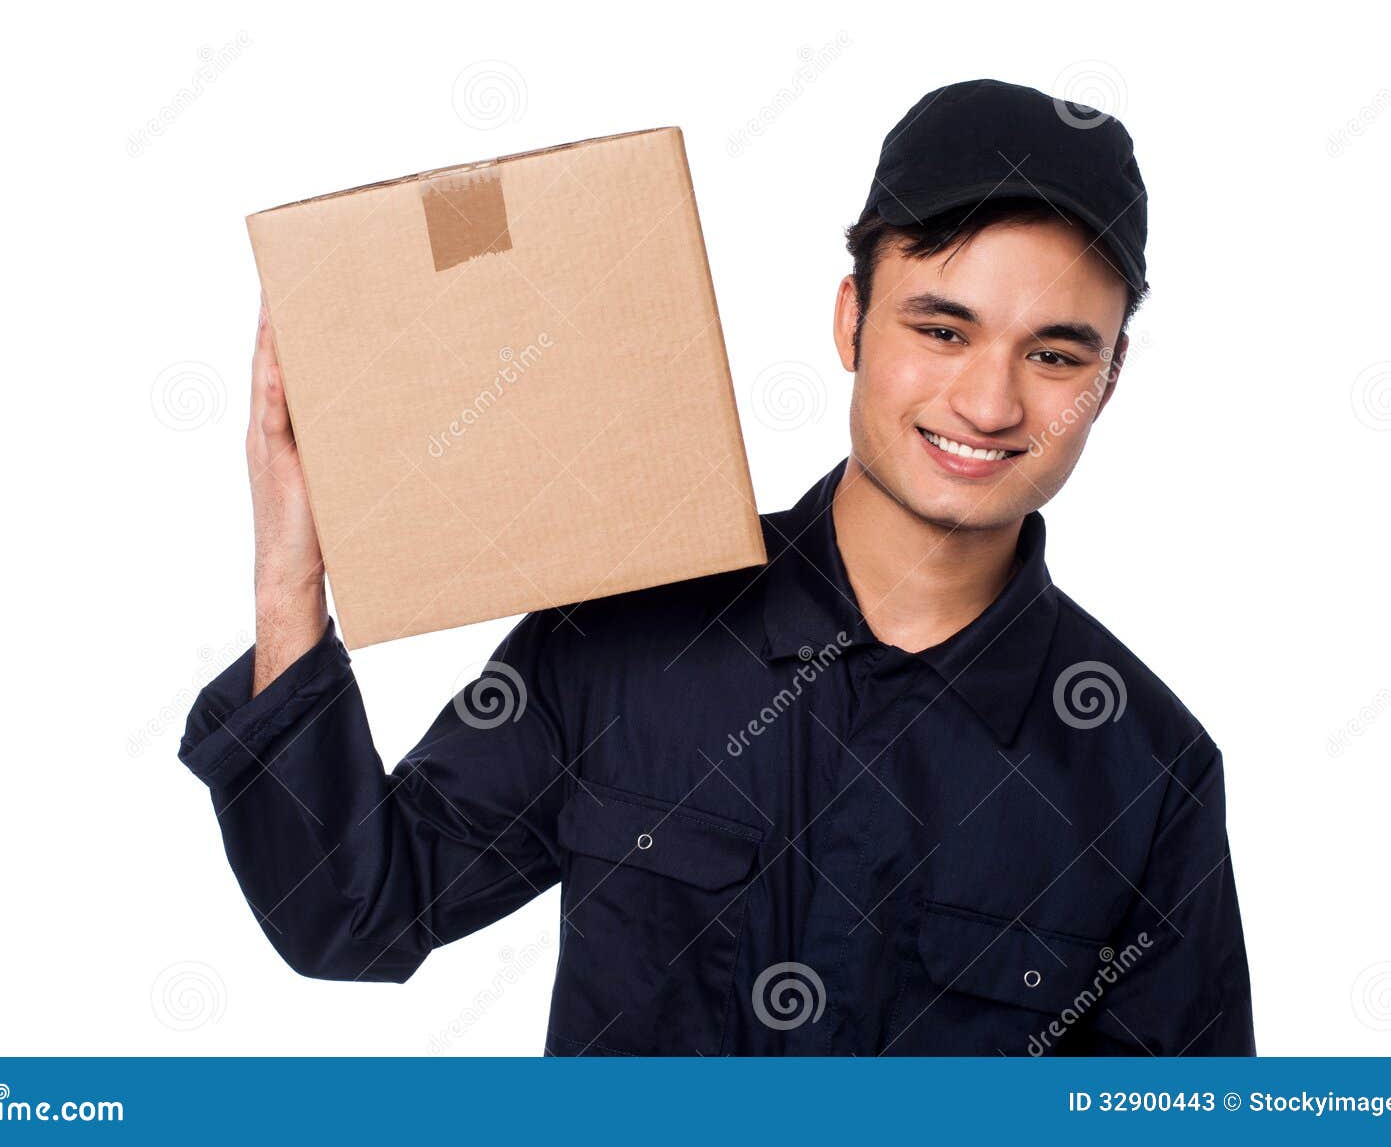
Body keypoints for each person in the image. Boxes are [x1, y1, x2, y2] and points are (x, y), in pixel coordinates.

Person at [178, 79, 1254, 1056]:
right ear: (852, 322)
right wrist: (289, 583)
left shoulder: (1145, 773)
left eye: (1055, 354)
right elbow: (353, 915)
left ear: (1104, 385)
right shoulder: (627, 633)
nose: (987, 402)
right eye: (941, 327)